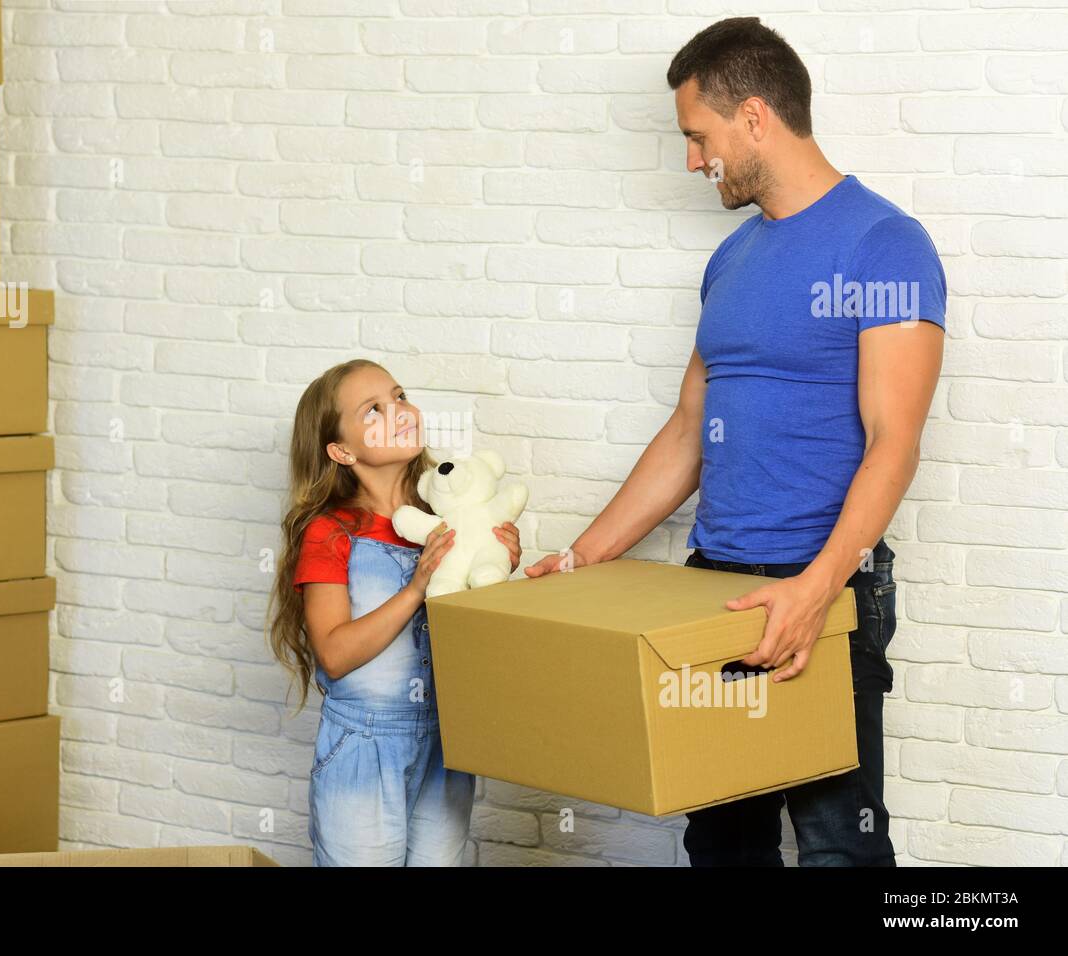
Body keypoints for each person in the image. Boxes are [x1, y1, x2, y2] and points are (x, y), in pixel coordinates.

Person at [525, 17, 946, 866]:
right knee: (720, 838)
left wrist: (817, 590)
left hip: (822, 584)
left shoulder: (886, 245)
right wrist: (582, 557)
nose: (691, 161)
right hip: (710, 590)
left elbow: (892, 442)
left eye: (697, 137)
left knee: (838, 844)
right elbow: (687, 432)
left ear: (754, 117)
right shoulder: (730, 261)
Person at [266, 358, 522, 865]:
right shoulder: (332, 532)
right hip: (364, 745)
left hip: (446, 742)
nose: (399, 411)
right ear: (340, 450)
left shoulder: (446, 515)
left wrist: (497, 569)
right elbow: (335, 654)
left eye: (400, 396)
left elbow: (469, 640)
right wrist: (417, 585)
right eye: (373, 410)